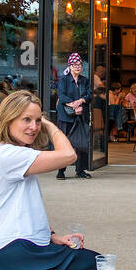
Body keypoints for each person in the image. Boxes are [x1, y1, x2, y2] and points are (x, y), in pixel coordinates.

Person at [0, 90, 100, 270]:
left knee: (80, 257)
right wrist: (49, 125)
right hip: (10, 257)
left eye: (38, 121)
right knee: (96, 261)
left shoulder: (2, 153)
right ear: (8, 120)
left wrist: (53, 236)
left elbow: (24, 206)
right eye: (27, 120)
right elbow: (69, 155)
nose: (34, 127)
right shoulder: (8, 155)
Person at [55, 52, 92, 180]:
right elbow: (62, 96)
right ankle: (61, 171)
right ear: (70, 66)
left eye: (80, 65)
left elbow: (89, 95)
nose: (77, 67)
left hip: (80, 116)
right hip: (66, 116)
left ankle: (80, 170)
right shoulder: (64, 80)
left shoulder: (85, 80)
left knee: (81, 143)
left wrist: (81, 102)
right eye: (75, 65)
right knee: (64, 143)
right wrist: (74, 106)